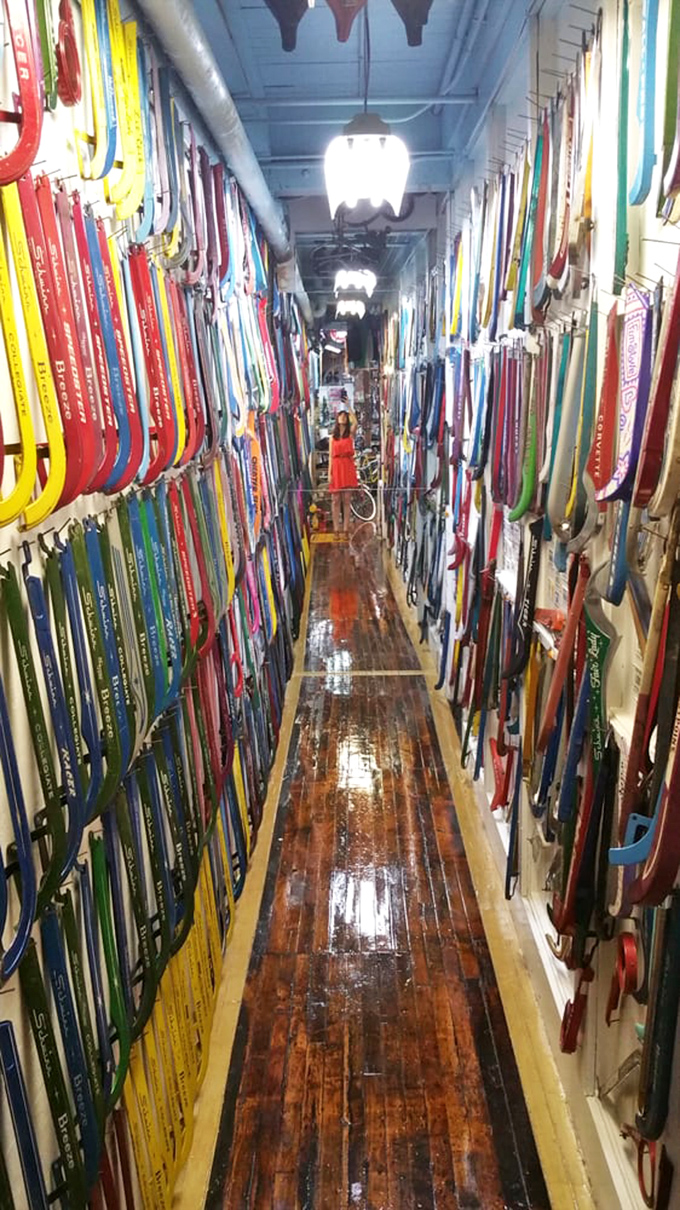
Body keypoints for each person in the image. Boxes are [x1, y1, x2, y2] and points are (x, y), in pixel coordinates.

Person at [328, 401, 358, 533]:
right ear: (337, 419)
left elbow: (355, 423)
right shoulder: (332, 438)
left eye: (345, 416)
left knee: (346, 499)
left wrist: (348, 406)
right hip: (336, 467)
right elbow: (330, 456)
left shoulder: (350, 434)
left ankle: (345, 528)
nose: (343, 418)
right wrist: (329, 473)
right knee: (335, 500)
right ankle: (336, 528)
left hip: (347, 466)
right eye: (340, 415)